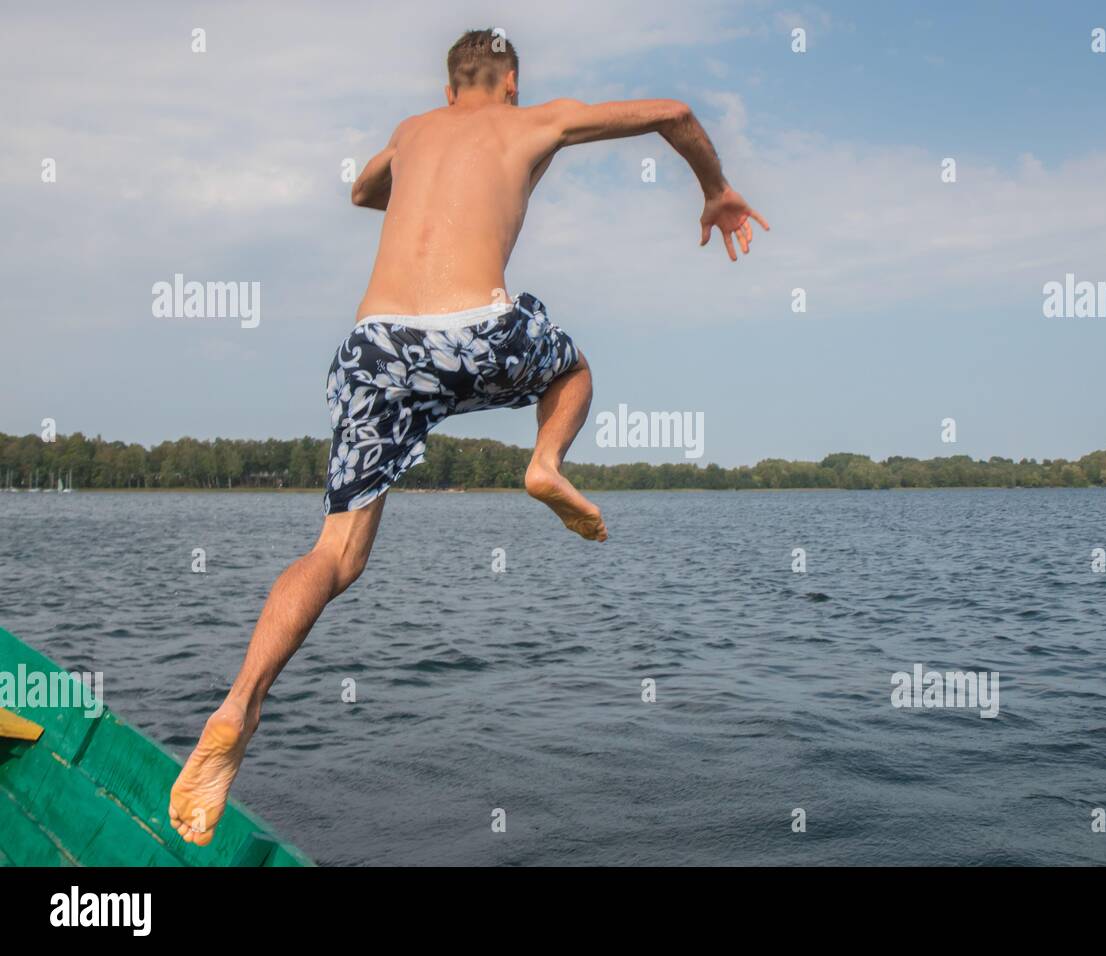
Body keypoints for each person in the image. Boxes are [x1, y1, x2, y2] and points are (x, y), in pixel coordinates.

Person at [169, 28, 768, 845]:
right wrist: (716, 187)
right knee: (574, 371)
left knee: (335, 554)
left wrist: (413, 173)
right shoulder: (536, 120)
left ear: (450, 86)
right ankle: (544, 464)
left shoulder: (411, 132)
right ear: (511, 81)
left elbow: (359, 193)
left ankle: (239, 705)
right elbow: (676, 110)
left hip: (376, 344)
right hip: (474, 329)